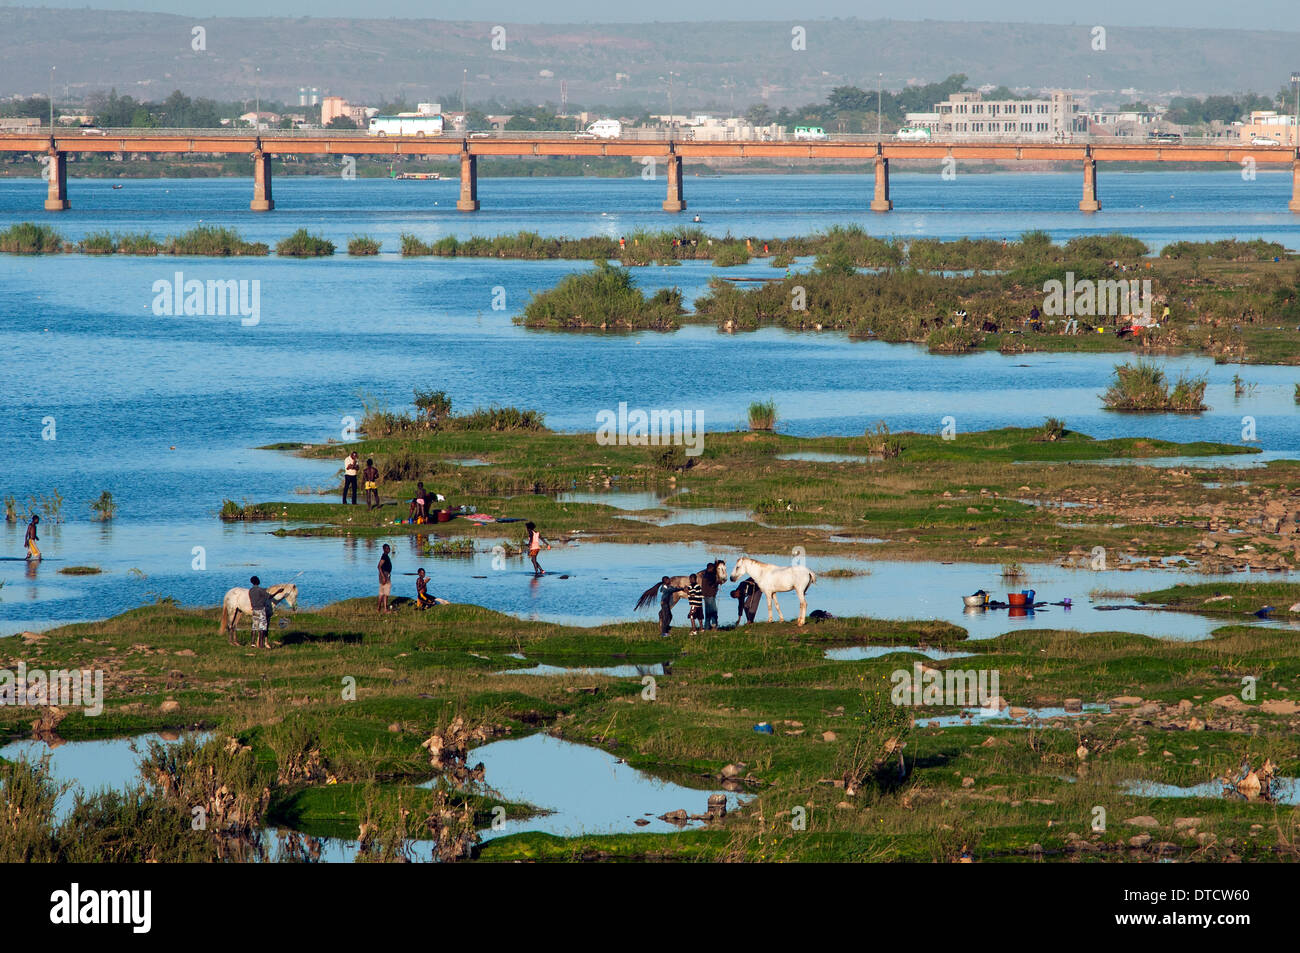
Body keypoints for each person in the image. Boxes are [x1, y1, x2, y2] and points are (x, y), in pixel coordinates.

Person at [247, 575, 273, 649]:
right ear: (257, 581)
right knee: (262, 628)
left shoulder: (250, 590)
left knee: (254, 627)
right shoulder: (260, 590)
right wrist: (278, 591)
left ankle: (252, 644)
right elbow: (269, 597)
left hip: (254, 610)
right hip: (261, 610)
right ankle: (261, 645)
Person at [699, 561, 721, 630]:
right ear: (711, 568)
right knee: (713, 611)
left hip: (706, 596)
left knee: (707, 612)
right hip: (710, 595)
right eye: (713, 568)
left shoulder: (705, 575)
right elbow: (712, 585)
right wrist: (717, 582)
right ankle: (714, 625)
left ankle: (706, 627)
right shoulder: (710, 575)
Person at [377, 544, 393, 613]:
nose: (388, 549)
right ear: (384, 549)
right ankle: (385, 609)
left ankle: (379, 608)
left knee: (382, 592)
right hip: (385, 575)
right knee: (386, 593)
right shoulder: (384, 556)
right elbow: (379, 566)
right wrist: (383, 577)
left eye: (389, 548)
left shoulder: (386, 556)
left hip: (385, 574)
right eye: (386, 548)